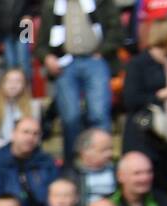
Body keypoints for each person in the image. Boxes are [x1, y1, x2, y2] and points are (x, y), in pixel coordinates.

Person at [34, 0, 122, 161]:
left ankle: (102, 164)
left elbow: (117, 32)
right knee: (70, 118)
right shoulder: (51, 5)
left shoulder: (102, 2)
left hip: (95, 60)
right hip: (64, 64)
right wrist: (47, 58)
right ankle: (71, 167)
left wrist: (102, 52)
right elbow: (41, 45)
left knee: (99, 115)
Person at [122, 19, 167, 193]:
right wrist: (165, 94)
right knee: (149, 183)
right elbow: (130, 100)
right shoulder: (139, 64)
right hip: (146, 137)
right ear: (164, 34)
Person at [0, 117, 58, 206]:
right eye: (25, 132)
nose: (30, 138)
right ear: (13, 134)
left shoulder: (46, 161)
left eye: (35, 134)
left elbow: (56, 192)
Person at [0, 67, 40, 155]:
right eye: (9, 81)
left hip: (26, 153)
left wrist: (22, 148)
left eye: (18, 81)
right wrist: (13, 148)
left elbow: (36, 134)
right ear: (1, 84)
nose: (13, 85)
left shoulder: (34, 106)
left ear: (24, 85)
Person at [59, 128, 118, 206]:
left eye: (111, 149)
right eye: (104, 150)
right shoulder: (71, 175)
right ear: (86, 151)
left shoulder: (117, 171)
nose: (110, 154)